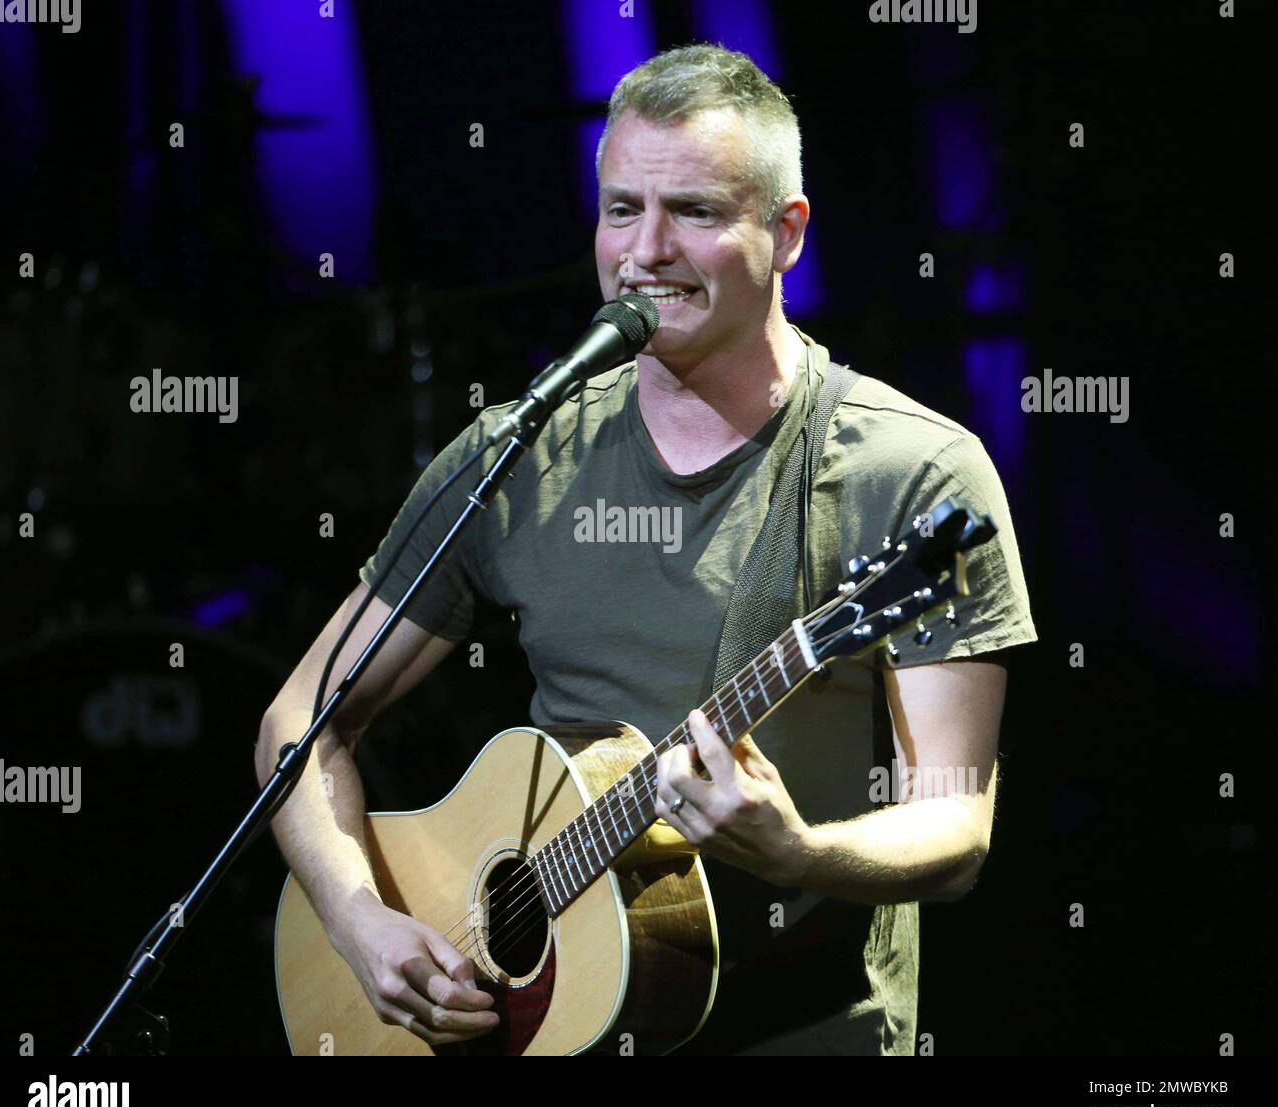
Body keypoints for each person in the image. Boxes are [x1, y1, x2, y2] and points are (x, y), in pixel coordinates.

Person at [255, 43, 1037, 1056]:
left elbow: (954, 827)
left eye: (696, 213)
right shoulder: (516, 452)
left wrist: (799, 851)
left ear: (786, 232)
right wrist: (359, 919)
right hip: (548, 1021)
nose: (646, 250)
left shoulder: (912, 472)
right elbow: (298, 724)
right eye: (622, 209)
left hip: (802, 1027)